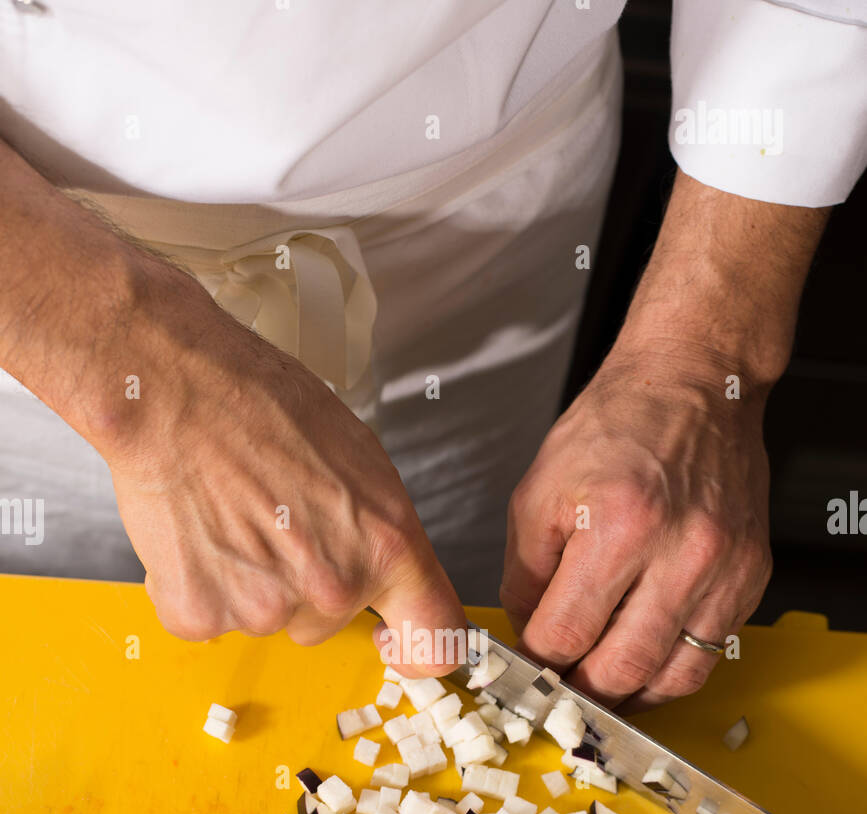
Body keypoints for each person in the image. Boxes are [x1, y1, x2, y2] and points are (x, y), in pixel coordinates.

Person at [0, 0, 864, 705]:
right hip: (33, 291)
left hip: (480, 227)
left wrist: (701, 360)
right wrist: (129, 373)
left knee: (459, 578)